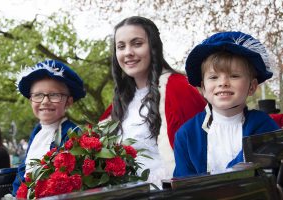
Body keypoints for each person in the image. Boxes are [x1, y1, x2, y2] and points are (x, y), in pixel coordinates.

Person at [99, 16, 206, 187]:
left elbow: (197, 152)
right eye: (121, 46)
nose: (128, 52)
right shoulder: (118, 105)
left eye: (137, 43)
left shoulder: (179, 88)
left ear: (153, 47)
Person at [173, 31, 280, 178]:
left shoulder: (264, 127)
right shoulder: (186, 134)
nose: (223, 83)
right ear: (203, 87)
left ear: (252, 86)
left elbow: (276, 175)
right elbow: (182, 185)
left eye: (234, 76)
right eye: (214, 77)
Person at [12, 60, 86, 196]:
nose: (45, 101)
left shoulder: (73, 134)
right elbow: (23, 170)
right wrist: (16, 195)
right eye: (38, 95)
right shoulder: (37, 131)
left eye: (54, 95)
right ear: (31, 100)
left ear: (68, 102)